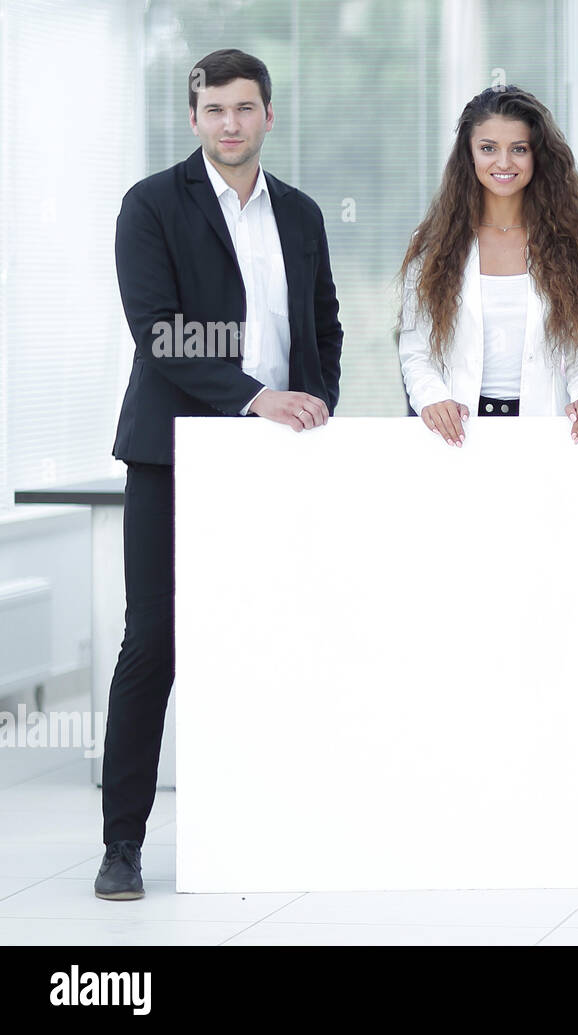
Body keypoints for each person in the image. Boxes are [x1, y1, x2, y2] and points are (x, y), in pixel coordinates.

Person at [97, 49, 343, 899]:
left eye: (245, 108)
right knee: (153, 644)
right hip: (174, 454)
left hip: (280, 458)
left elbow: (324, 327)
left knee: (275, 633)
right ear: (193, 117)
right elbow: (160, 334)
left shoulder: (303, 215)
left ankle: (269, 827)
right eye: (215, 110)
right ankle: (122, 843)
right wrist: (255, 397)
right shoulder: (153, 205)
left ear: (269, 115)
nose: (230, 123)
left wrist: (314, 402)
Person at [398, 86, 578, 444]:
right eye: (488, 149)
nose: (503, 163)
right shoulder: (433, 245)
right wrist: (433, 399)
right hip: (458, 432)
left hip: (545, 432)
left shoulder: (571, 246)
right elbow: (415, 350)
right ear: (469, 155)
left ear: (538, 156)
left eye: (519, 149)